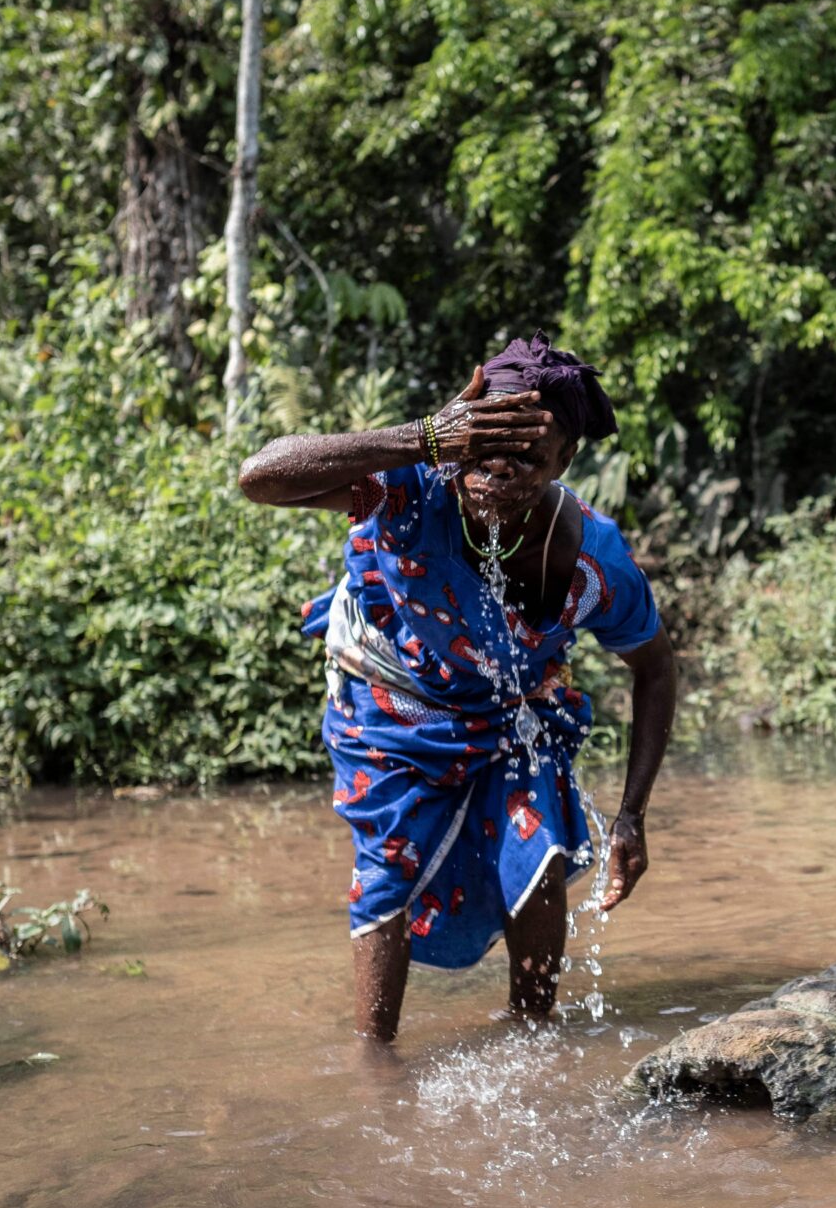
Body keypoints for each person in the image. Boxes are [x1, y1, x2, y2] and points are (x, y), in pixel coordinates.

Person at [236, 332, 677, 1040]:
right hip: (391, 701)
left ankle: (534, 1039)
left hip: (513, 711)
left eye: (527, 459)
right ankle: (376, 1070)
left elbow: (655, 666)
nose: (496, 474)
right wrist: (421, 438)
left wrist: (633, 815)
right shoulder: (410, 485)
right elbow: (260, 477)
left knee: (540, 853)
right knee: (388, 874)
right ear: (459, 437)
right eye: (483, 451)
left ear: (564, 462)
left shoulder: (592, 562)